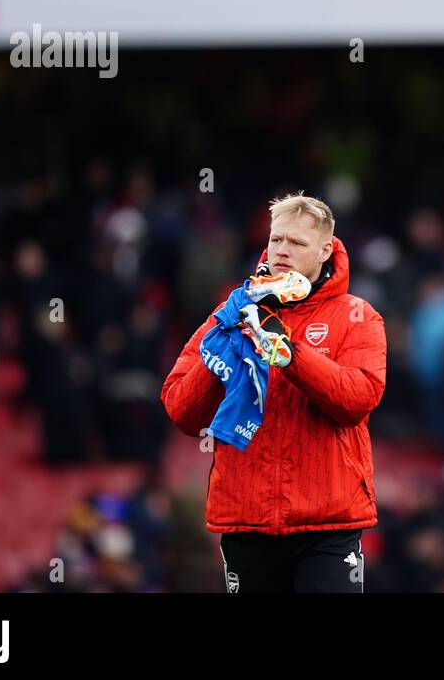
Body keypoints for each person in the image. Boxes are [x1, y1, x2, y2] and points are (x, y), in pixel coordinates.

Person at [161, 194, 386, 592]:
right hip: (247, 521)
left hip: (328, 526)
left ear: (324, 252)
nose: (283, 250)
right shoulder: (231, 313)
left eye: (297, 243)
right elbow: (181, 411)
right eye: (277, 240)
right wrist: (226, 347)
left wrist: (289, 356)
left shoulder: (358, 316)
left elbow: (357, 399)